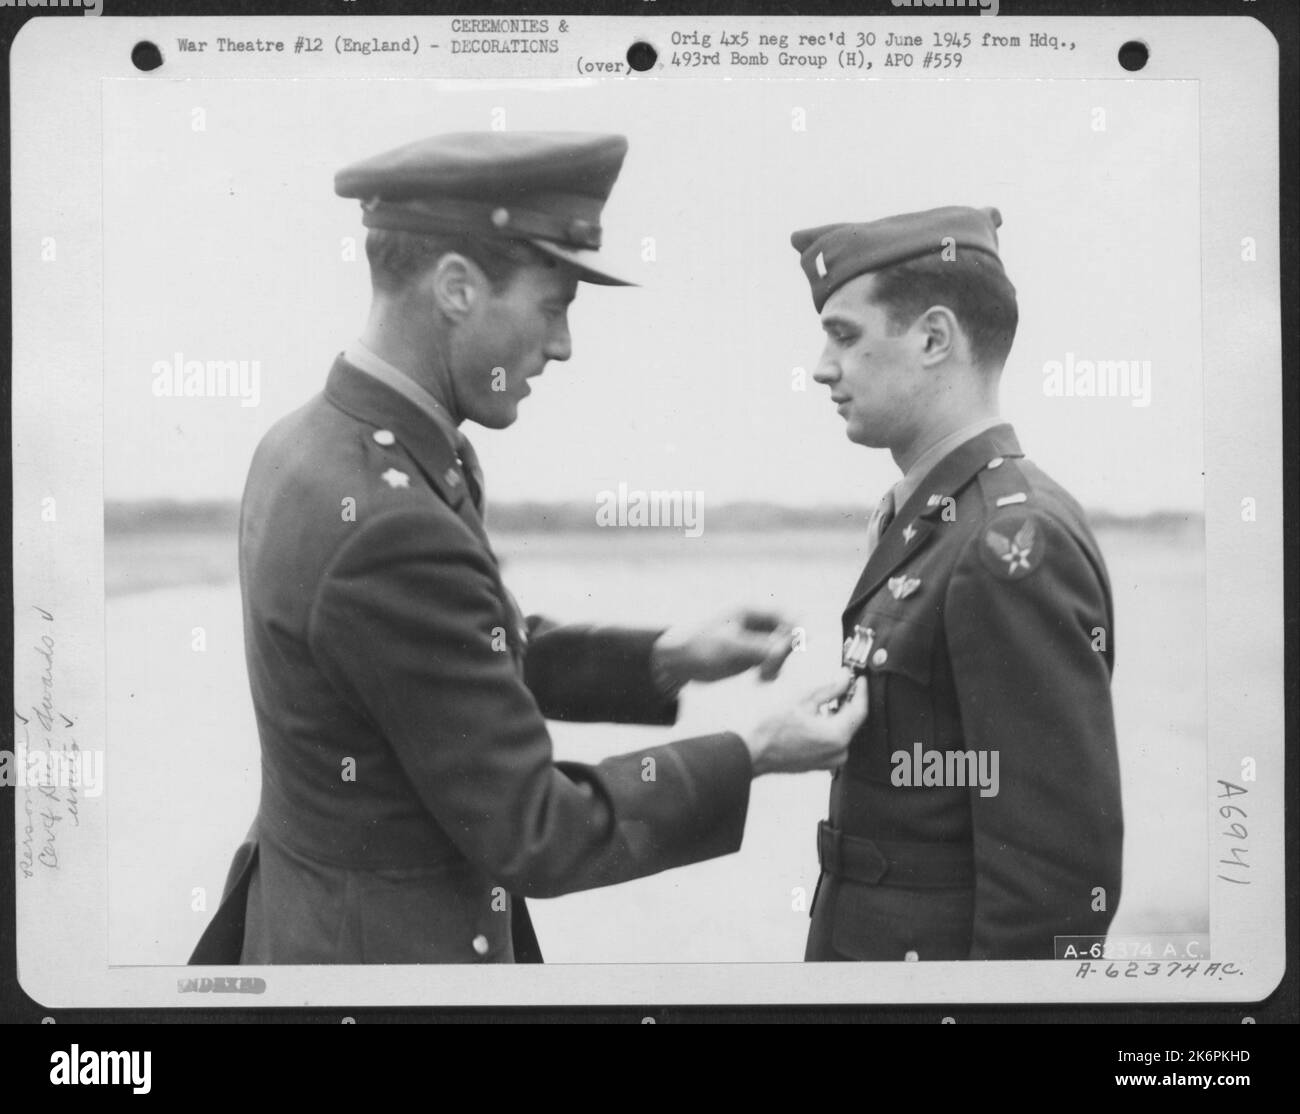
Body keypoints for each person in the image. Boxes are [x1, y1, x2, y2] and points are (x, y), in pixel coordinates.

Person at [189, 132, 865, 965]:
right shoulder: (389, 518)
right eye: (553, 305)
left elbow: (447, 664)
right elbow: (537, 830)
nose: (563, 344)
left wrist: (666, 658)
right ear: (457, 288)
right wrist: (753, 753)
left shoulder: (311, 443)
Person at [790, 206, 1123, 961]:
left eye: (844, 335)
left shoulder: (1009, 542)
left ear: (935, 338)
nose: (821, 367)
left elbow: (1055, 880)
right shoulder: (931, 521)